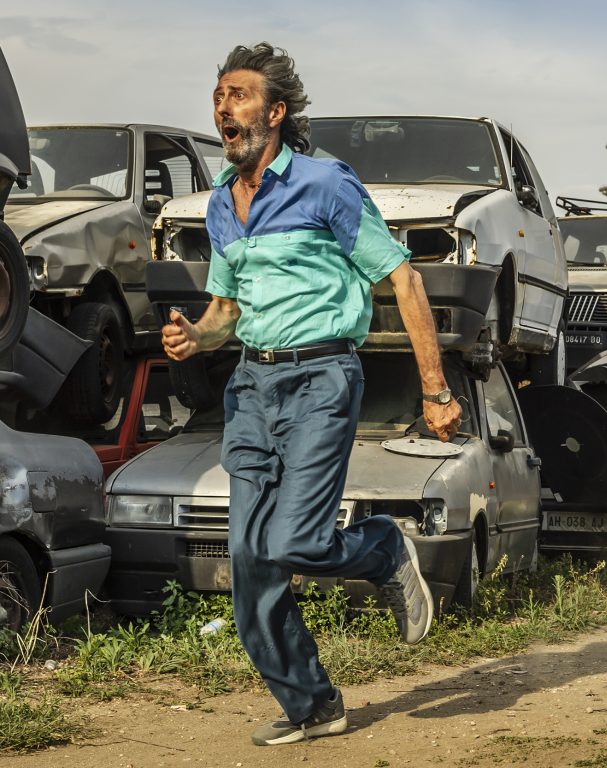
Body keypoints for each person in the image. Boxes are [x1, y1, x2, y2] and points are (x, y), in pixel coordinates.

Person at [161, 43, 462, 747]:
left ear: (275, 111)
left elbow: (403, 279)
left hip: (322, 379)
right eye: (218, 96)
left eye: (238, 95)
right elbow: (226, 314)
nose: (222, 107)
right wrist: (194, 339)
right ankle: (313, 706)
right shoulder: (220, 208)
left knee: (295, 540)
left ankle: (384, 548)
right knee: (249, 561)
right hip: (252, 388)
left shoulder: (325, 185)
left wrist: (436, 390)